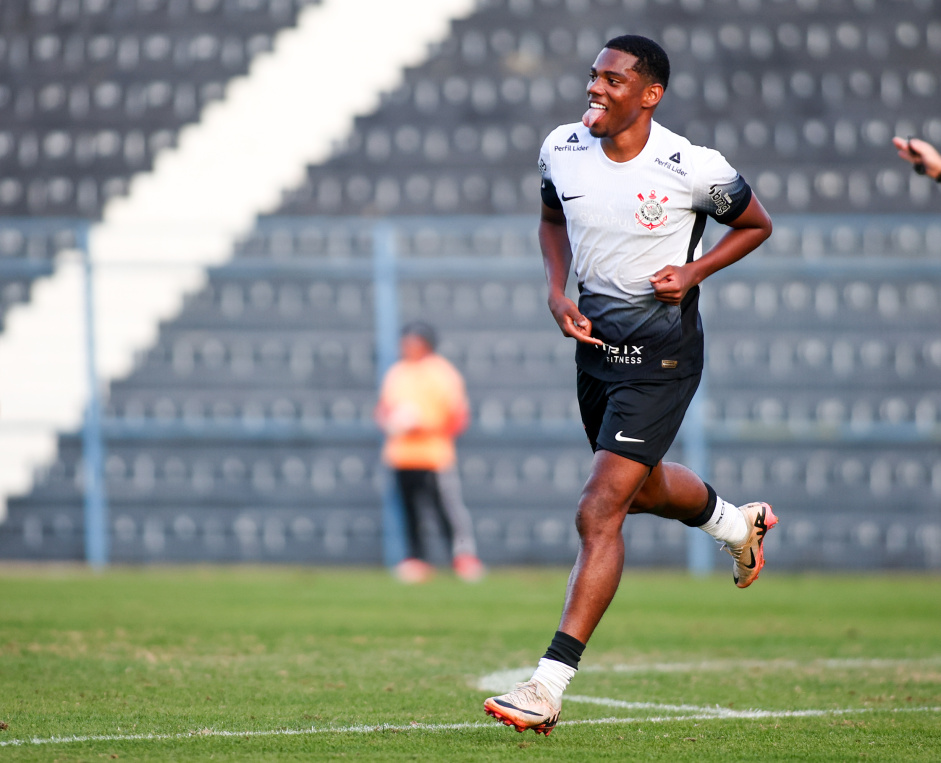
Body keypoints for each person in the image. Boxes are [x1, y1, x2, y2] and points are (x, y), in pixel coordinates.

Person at [483, 35, 776, 735]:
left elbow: (756, 224)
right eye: (592, 77)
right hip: (594, 356)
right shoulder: (561, 147)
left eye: (612, 80)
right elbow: (552, 218)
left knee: (597, 508)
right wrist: (556, 293)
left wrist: (694, 271)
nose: (594, 89)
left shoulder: (690, 166)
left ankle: (546, 685)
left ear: (649, 95)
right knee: (635, 487)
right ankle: (739, 524)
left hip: (662, 358)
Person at [375, 321, 484, 583]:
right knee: (409, 510)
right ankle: (416, 559)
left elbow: (458, 417)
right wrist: (392, 423)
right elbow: (383, 409)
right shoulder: (397, 373)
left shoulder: (443, 374)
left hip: (434, 456)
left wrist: (424, 426)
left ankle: (463, 557)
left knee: (446, 509)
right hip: (401, 456)